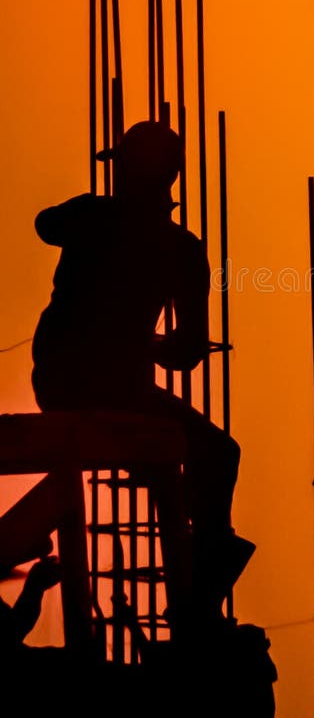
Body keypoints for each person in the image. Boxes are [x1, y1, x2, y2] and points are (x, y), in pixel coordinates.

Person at [28, 120, 252, 626]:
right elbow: (187, 351)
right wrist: (148, 342)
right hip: (96, 387)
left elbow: (46, 223)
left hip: (85, 385)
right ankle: (200, 588)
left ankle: (197, 584)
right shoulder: (169, 245)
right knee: (214, 453)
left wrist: (136, 340)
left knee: (189, 460)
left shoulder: (112, 224)